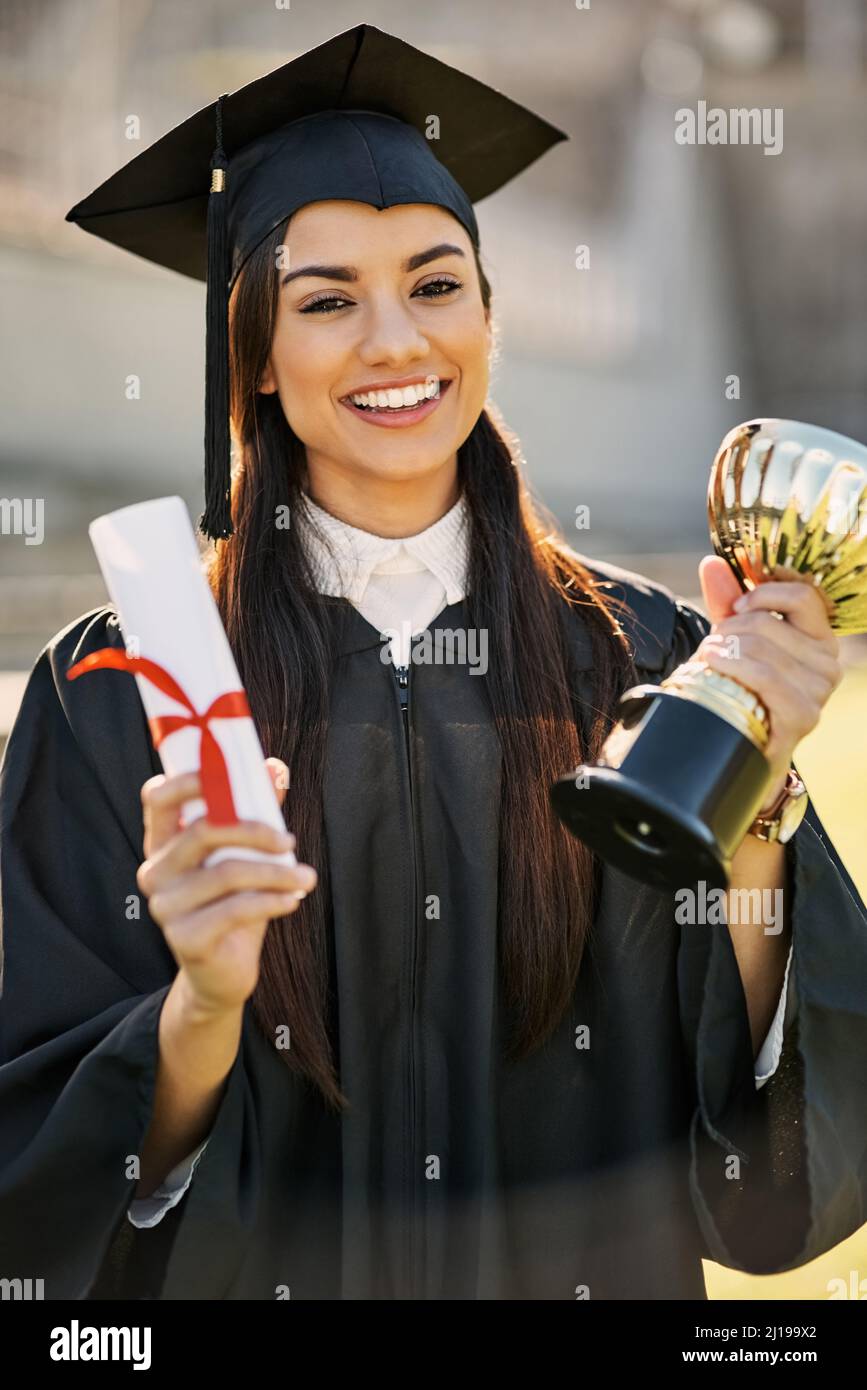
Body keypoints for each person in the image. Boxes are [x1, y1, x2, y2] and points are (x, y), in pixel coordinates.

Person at [1, 23, 865, 1302]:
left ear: (488, 315)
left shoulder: (644, 663)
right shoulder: (126, 696)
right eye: (328, 301)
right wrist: (201, 1008)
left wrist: (751, 811)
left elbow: (772, 1189)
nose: (397, 342)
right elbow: (50, 1220)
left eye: (437, 282)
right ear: (250, 354)